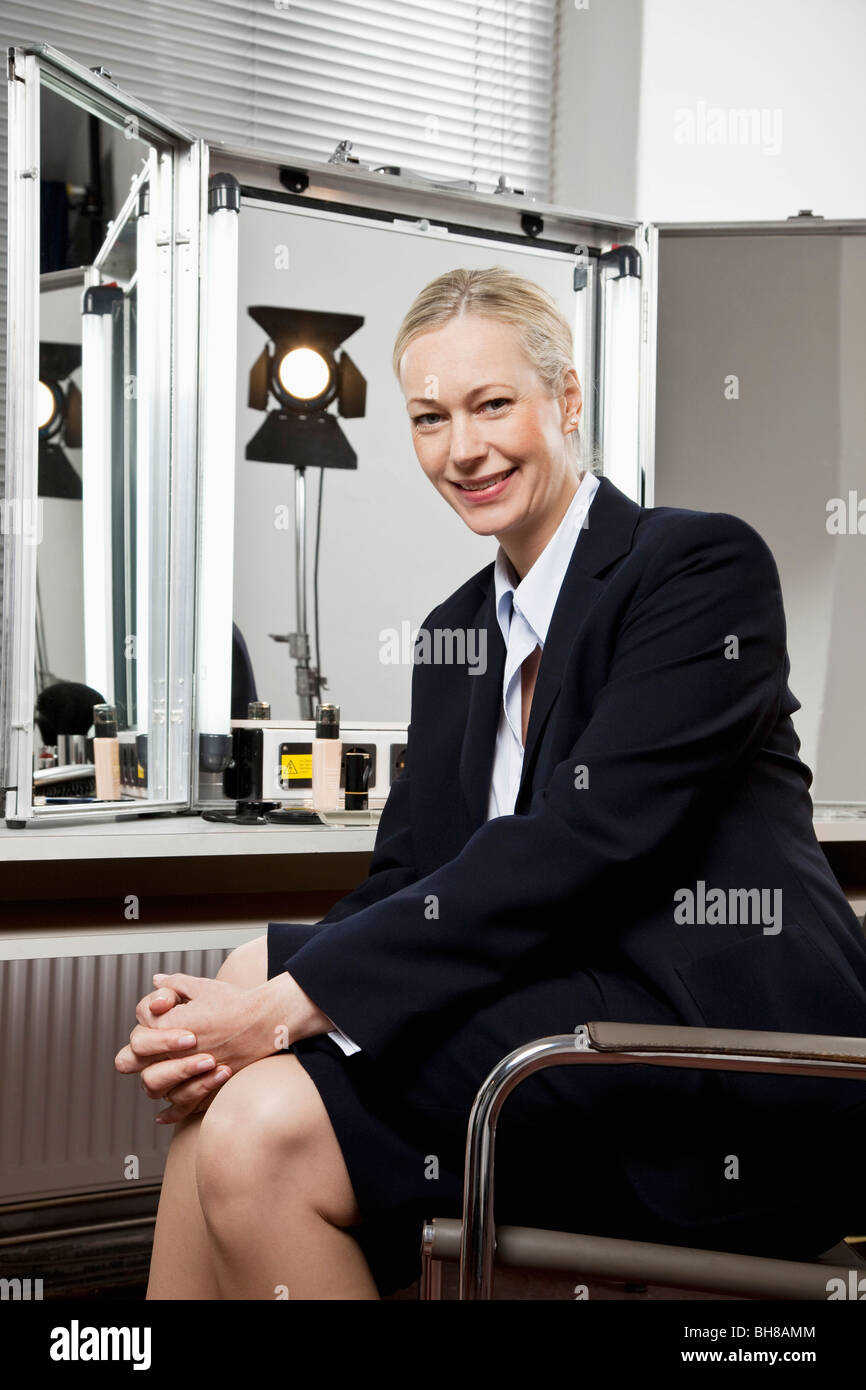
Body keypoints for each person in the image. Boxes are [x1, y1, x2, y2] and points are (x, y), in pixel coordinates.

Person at [116, 266, 866, 1301]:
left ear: (565, 400)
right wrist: (243, 1007)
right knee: (230, 1049)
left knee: (259, 1119)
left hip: (711, 1068)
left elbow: (579, 845)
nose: (460, 449)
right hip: (551, 1022)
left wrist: (290, 1009)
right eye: (428, 418)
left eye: (491, 405)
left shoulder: (693, 570)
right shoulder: (454, 635)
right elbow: (406, 877)